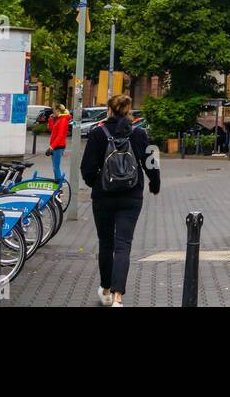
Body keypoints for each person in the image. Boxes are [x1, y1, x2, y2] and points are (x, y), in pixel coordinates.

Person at [81, 94, 160, 307]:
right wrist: (154, 184)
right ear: (128, 110)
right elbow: (152, 160)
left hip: (103, 196)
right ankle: (118, 297)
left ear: (109, 110)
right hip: (131, 196)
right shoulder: (140, 133)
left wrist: (95, 183)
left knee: (106, 244)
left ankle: (105, 290)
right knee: (123, 245)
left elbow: (86, 168)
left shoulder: (97, 133)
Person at [47, 104, 71, 181]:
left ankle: (59, 184)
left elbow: (60, 136)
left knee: (56, 166)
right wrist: (50, 120)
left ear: (58, 110)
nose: (53, 112)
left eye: (54, 110)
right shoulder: (59, 119)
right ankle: (57, 182)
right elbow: (52, 130)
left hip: (58, 146)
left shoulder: (63, 120)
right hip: (56, 146)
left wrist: (51, 147)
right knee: (55, 166)